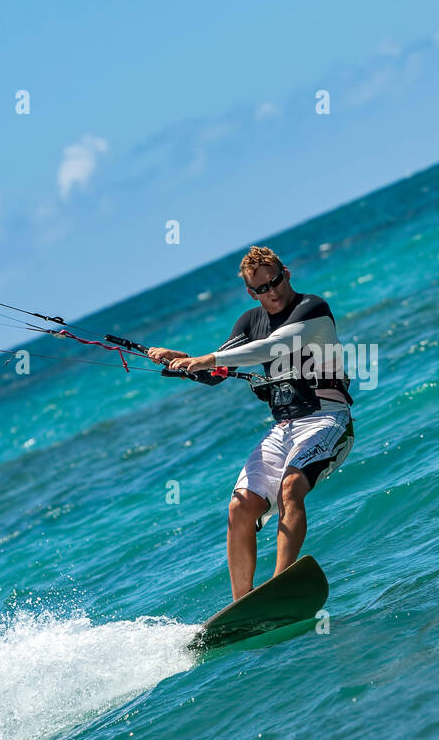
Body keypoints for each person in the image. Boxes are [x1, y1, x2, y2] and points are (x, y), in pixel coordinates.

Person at [147, 246, 354, 600]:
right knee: (240, 505)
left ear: (286, 273)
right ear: (250, 292)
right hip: (283, 430)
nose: (271, 293)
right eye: (261, 289)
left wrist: (206, 358)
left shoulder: (312, 309)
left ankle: (282, 582)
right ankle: (243, 602)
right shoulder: (249, 322)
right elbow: (217, 373)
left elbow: (270, 349)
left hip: (327, 419)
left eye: (275, 281)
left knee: (291, 487)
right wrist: (181, 361)